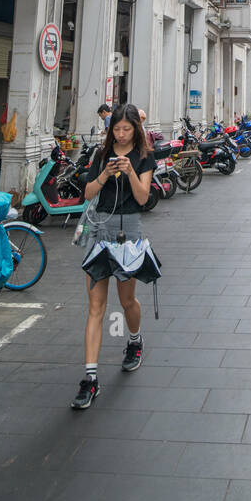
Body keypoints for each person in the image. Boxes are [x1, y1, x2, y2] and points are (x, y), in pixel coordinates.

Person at [71, 104, 156, 409]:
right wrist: (106, 173)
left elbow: (143, 197)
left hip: (128, 230)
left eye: (126, 129)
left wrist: (131, 170)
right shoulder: (100, 155)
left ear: (136, 129)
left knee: (127, 300)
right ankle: (90, 379)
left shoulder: (145, 157)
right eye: (116, 129)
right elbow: (89, 193)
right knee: (95, 306)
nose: (120, 135)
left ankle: (134, 341)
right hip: (99, 230)